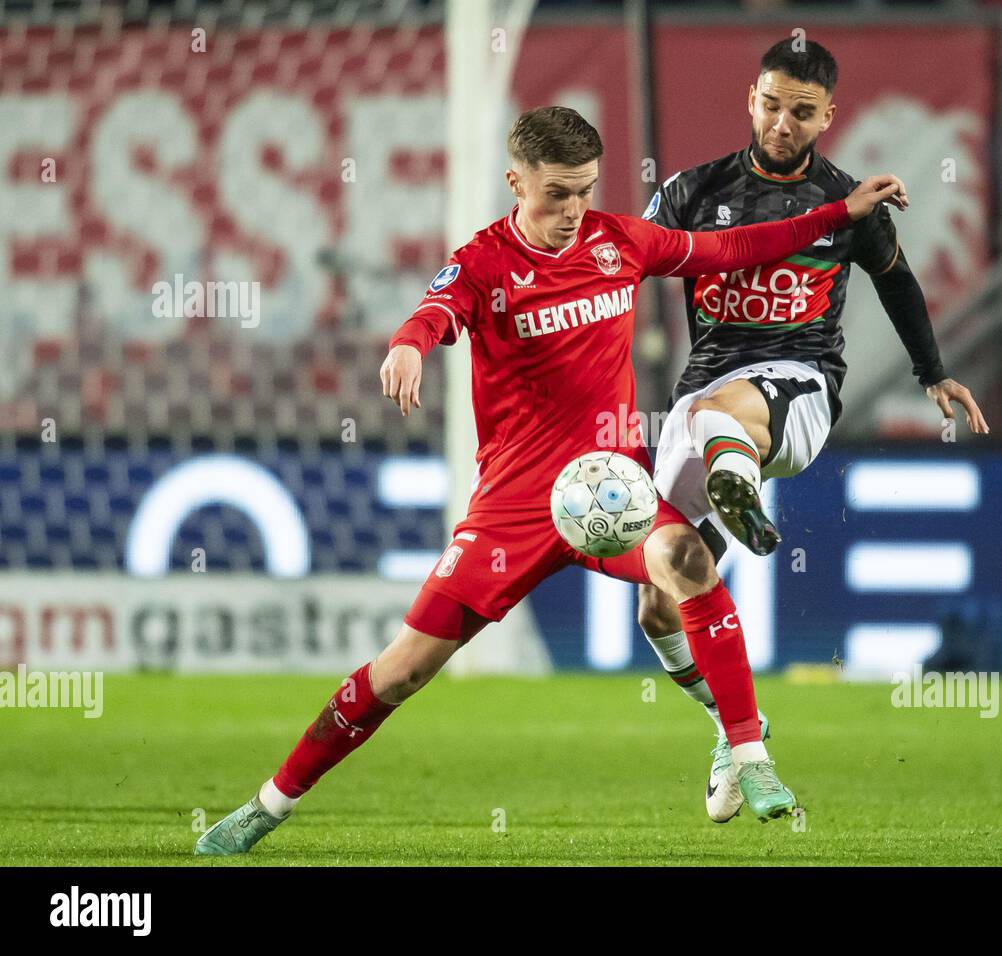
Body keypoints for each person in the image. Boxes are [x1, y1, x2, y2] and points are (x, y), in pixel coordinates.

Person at [195, 105, 904, 853]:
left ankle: (750, 754)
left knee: (687, 563)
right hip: (514, 509)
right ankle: (267, 806)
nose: (572, 211)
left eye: (585, 191)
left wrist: (835, 213)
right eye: (556, 193)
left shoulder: (620, 242)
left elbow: (729, 246)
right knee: (402, 672)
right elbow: (435, 310)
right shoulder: (483, 264)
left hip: (610, 485)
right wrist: (407, 345)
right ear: (516, 182)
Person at [636, 38, 990, 823]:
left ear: (829, 115)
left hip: (799, 388)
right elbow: (626, 263)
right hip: (704, 392)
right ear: (750, 100)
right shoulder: (694, 193)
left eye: (802, 111)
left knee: (717, 418)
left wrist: (931, 372)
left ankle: (737, 475)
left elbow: (895, 279)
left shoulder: (848, 202)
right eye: (772, 104)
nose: (784, 122)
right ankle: (736, 730)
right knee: (663, 595)